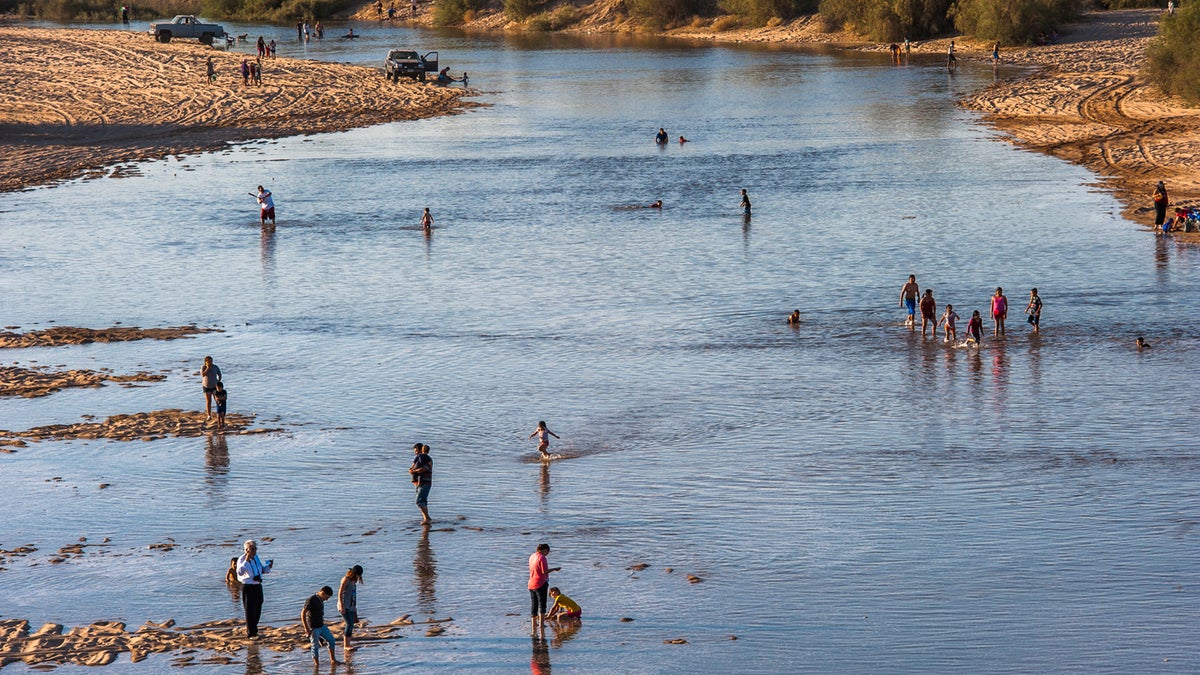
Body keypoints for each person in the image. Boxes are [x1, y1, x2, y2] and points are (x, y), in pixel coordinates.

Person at [236, 540, 273, 638]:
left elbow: (261, 569)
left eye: (255, 548)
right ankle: (251, 633)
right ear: (246, 550)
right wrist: (246, 561)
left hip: (257, 585)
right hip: (248, 586)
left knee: (258, 606)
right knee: (250, 610)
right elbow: (240, 572)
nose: (254, 551)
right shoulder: (242, 559)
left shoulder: (256, 557)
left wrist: (268, 567)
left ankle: (254, 628)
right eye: (252, 549)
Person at [302, 586, 340, 666]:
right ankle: (316, 664)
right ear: (322, 593)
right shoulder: (311, 600)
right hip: (313, 628)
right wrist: (306, 628)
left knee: (331, 640)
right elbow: (303, 613)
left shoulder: (320, 600)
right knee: (315, 646)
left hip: (321, 625)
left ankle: (333, 660)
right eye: (326, 597)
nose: (327, 599)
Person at [528, 543, 560, 628]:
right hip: (540, 583)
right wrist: (554, 569)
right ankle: (541, 624)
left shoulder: (532, 556)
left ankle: (534, 623)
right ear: (545, 550)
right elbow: (544, 571)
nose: (547, 554)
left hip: (531, 583)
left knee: (534, 604)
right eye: (547, 552)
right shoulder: (542, 558)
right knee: (542, 604)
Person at [337, 565, 364, 650]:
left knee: (352, 624)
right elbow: (340, 593)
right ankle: (346, 645)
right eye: (358, 575)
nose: (358, 577)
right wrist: (341, 604)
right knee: (349, 623)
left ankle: (348, 643)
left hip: (351, 605)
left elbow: (353, 595)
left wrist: (355, 609)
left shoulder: (353, 582)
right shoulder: (346, 579)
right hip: (344, 605)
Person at [409, 443, 432, 524]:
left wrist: (413, 471)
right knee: (423, 501)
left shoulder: (424, 458)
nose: (415, 453)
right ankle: (426, 518)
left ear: (420, 449)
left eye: (416, 450)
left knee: (419, 501)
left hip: (424, 482)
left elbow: (424, 468)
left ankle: (427, 518)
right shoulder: (420, 458)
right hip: (422, 482)